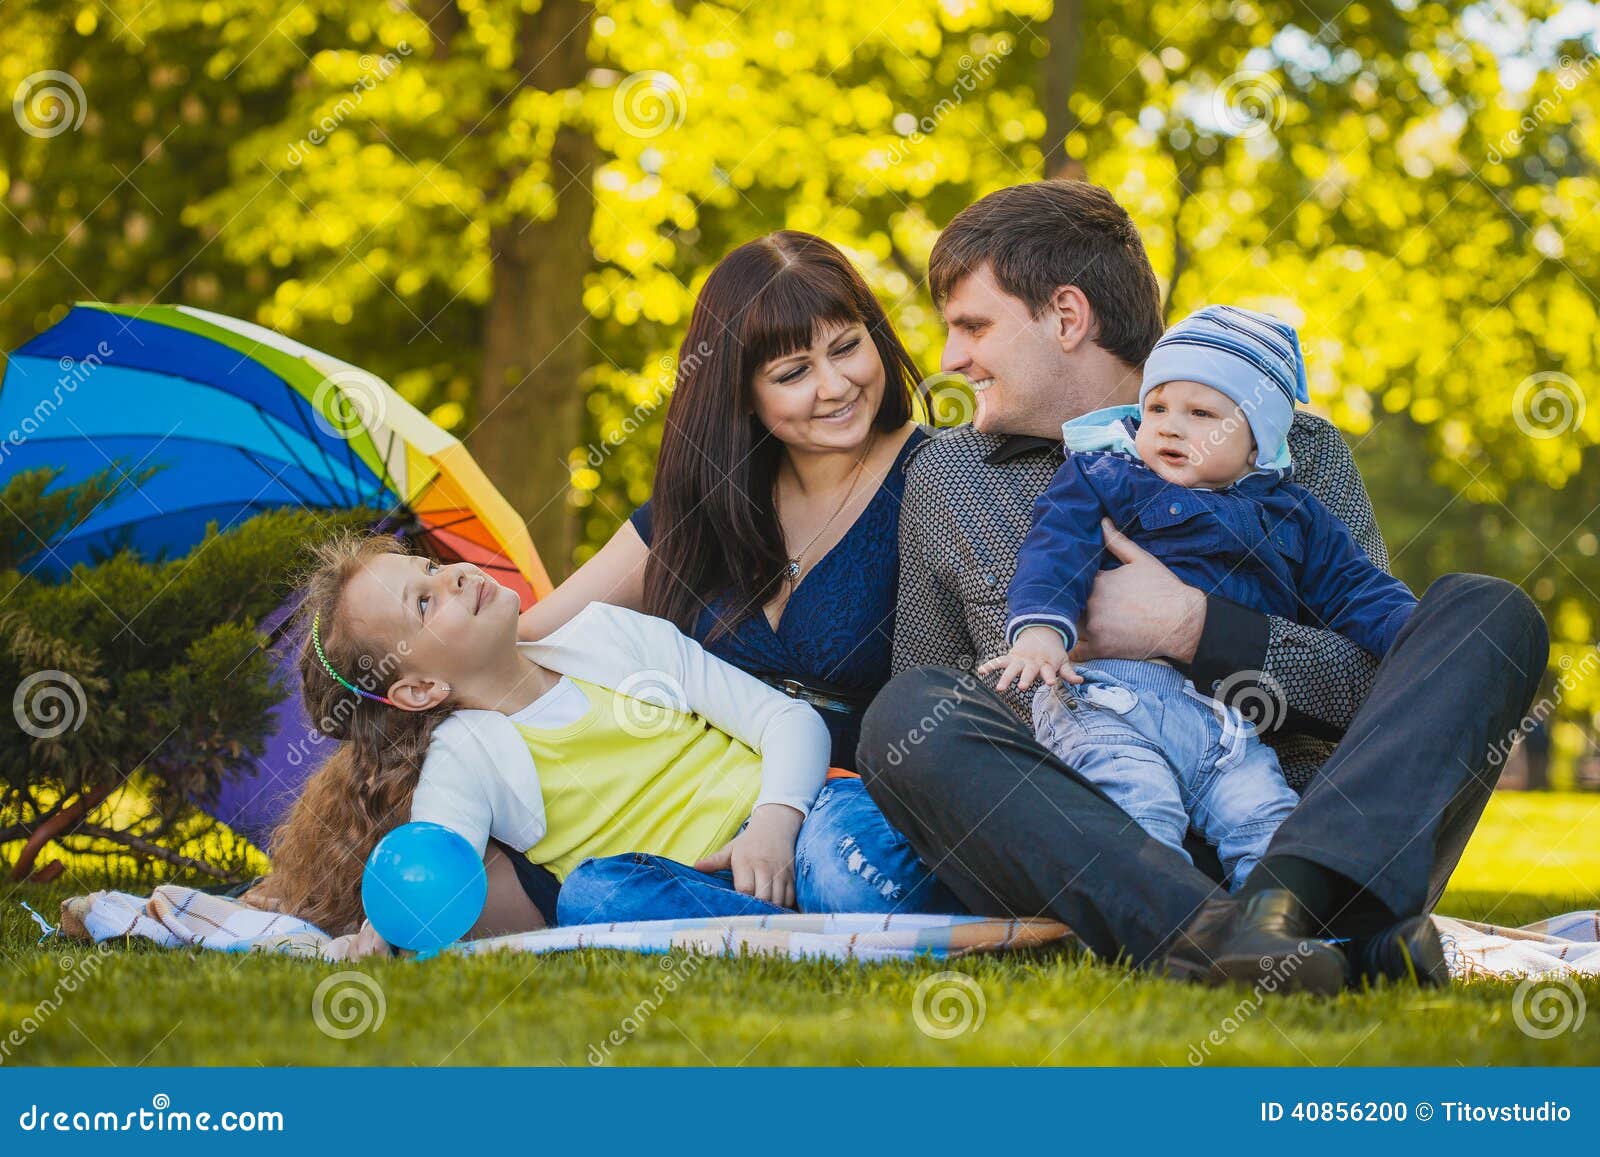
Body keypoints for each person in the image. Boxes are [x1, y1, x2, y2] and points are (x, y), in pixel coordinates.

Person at [857, 179, 1547, 994]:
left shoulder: (1296, 453)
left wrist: (1195, 627)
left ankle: (1288, 907)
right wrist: (1059, 651)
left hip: (1292, 821)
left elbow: (1388, 683)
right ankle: (1246, 930)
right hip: (1095, 845)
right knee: (900, 717)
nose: (949, 360)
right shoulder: (949, 475)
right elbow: (933, 712)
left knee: (1489, 614)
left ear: (1068, 316)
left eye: (972, 326)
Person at [514, 230, 956, 923]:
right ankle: (769, 912)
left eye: (847, 347)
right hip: (716, 811)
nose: (835, 385)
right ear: (742, 393)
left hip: (864, 812)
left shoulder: (936, 473)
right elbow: (528, 639)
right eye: (793, 373)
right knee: (595, 892)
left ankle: (789, 909)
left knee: (846, 876)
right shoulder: (698, 508)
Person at [251, 532, 959, 946]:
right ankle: (826, 935)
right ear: (415, 691)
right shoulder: (469, 753)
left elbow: (788, 720)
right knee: (592, 898)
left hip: (804, 819)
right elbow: (441, 848)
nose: (454, 575)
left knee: (844, 866)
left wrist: (775, 823)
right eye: (424, 600)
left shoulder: (608, 636)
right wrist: (390, 921)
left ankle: (856, 914)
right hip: (701, 889)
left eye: (430, 568)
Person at [979, 306, 1417, 900]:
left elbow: (1356, 589)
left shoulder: (1295, 515)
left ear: (1258, 444)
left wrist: (1419, 636)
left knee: (1266, 820)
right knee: (1140, 816)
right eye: (1156, 407)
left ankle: (1276, 931)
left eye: (1201, 414)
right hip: (1109, 699)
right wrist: (1040, 632)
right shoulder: (1105, 473)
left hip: (1227, 720)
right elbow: (1056, 550)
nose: (1168, 427)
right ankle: (1159, 926)